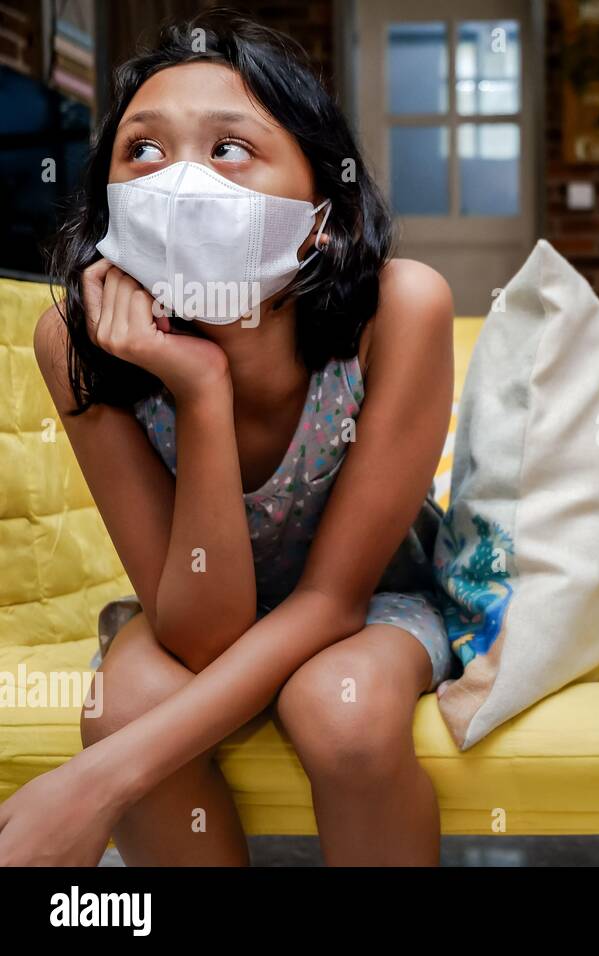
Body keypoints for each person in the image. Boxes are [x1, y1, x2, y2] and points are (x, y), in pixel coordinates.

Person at [0, 13, 454, 866]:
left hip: (365, 601)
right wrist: (200, 392)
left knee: (343, 712)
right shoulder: (74, 343)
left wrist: (98, 784)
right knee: (120, 705)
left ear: (323, 213)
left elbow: (331, 603)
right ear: (109, 206)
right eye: (143, 151)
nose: (180, 183)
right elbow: (200, 635)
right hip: (194, 607)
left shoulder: (400, 310)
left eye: (229, 149)